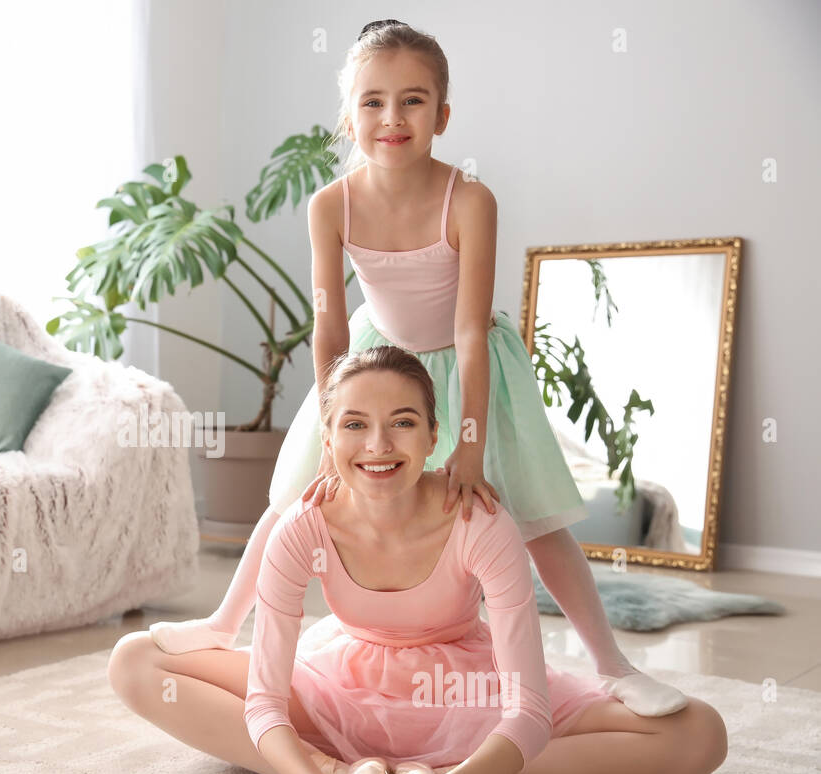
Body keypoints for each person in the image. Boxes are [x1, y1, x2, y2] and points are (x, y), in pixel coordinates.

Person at [148, 19, 686, 718]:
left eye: (413, 101)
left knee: (530, 517)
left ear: (442, 114)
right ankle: (225, 624)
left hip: (469, 367)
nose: (392, 118)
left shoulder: (469, 200)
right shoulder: (331, 205)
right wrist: (337, 418)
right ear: (348, 116)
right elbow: (331, 322)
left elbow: (468, 328)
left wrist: (466, 441)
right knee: (292, 501)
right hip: (373, 365)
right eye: (372, 102)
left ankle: (611, 663)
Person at [107, 347, 727, 774]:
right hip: (342, 691)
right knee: (135, 662)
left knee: (699, 733)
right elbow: (267, 703)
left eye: (402, 422)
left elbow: (529, 712)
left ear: (433, 436)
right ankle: (347, 766)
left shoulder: (478, 519)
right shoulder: (303, 525)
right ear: (328, 437)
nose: (378, 445)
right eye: (355, 424)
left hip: (468, 692)